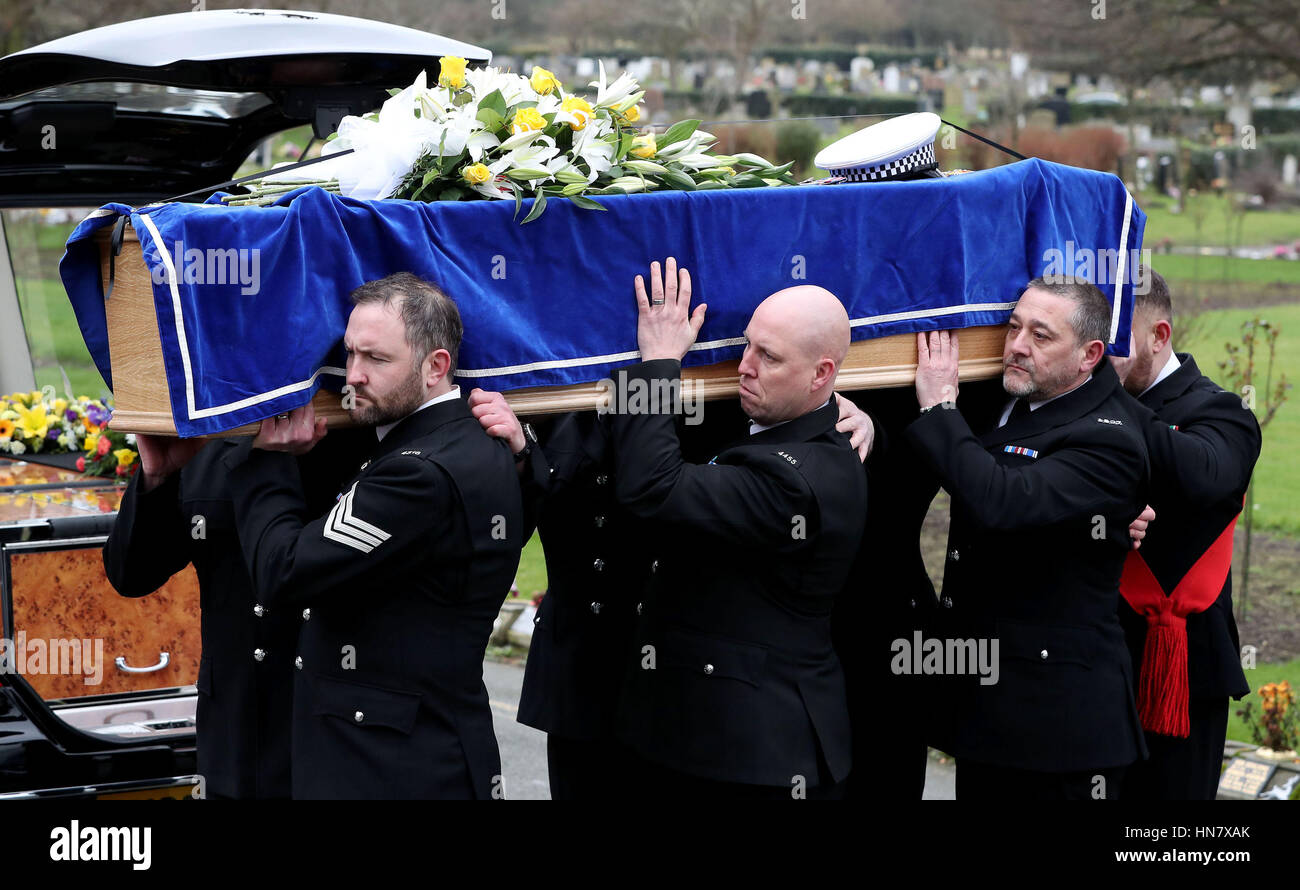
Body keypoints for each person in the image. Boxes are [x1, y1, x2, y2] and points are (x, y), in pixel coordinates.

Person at [469, 390, 871, 801]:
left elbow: (804, 423)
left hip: (677, 679)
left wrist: (846, 417)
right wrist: (521, 460)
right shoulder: (554, 393)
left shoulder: (718, 395)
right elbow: (506, 529)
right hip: (580, 667)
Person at [221, 272, 523, 799]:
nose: (353, 376)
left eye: (377, 360)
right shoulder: (468, 441)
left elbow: (284, 571)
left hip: (391, 768)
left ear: (436, 366)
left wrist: (266, 465)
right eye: (351, 354)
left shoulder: (415, 474)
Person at [601, 258, 868, 798]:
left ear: (821, 375)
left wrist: (657, 363)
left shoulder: (797, 479)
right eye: (747, 344)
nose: (743, 366)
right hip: (711, 739)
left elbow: (653, 488)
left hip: (752, 755)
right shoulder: (781, 429)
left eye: (767, 357)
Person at [907, 278, 1150, 800]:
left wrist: (938, 410)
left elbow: (1002, 502)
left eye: (1041, 336)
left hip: (1061, 730)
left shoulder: (1109, 439)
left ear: (1090, 355)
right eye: (1014, 327)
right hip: (991, 718)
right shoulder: (1012, 399)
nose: (1017, 345)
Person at [102, 427, 368, 799]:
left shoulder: (370, 435)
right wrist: (156, 476)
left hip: (342, 737)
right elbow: (131, 574)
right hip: (237, 733)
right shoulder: (212, 438)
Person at [1110, 269, 1261, 799]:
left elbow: (1205, 477)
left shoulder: (1220, 409)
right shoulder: (1083, 404)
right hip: (1092, 657)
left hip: (1183, 666)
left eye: (1115, 334)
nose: (1100, 350)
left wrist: (1104, 394)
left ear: (1160, 336)